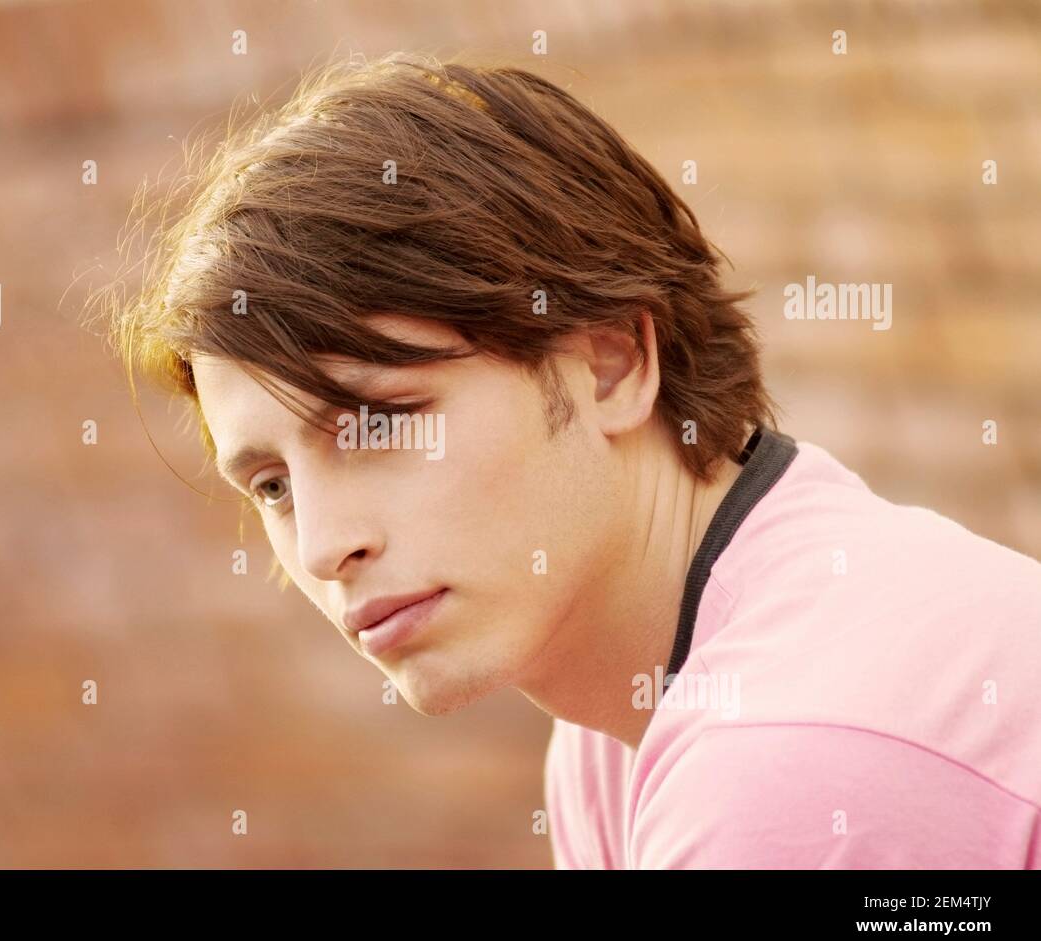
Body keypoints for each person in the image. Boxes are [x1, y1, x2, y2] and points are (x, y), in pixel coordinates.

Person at [102, 52, 1041, 868]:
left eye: (380, 425)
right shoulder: (618, 733)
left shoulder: (783, 757)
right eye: (271, 484)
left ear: (611, 364)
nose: (320, 546)